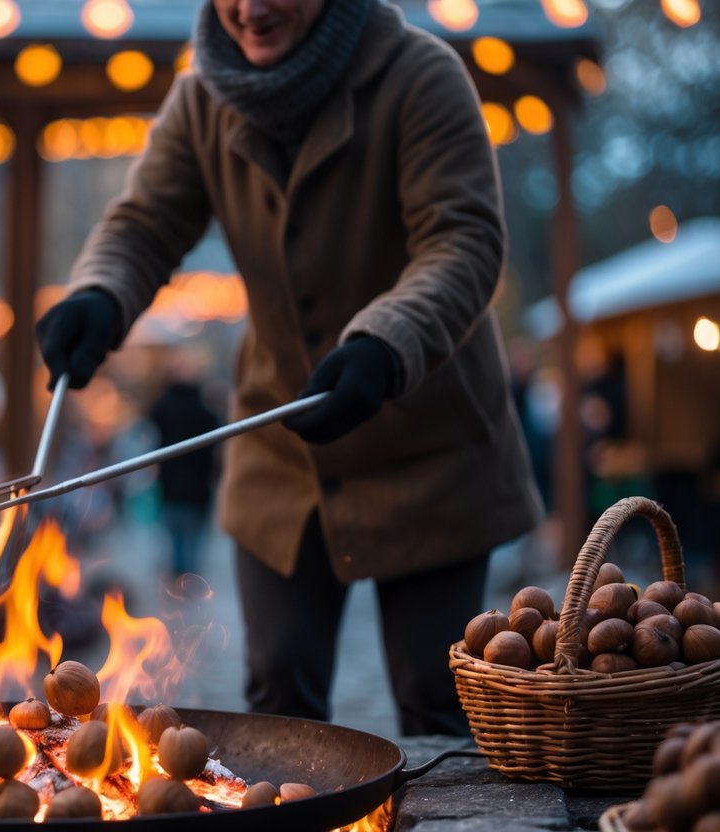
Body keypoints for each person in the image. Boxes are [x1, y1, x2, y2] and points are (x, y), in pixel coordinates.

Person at [35, 0, 543, 736]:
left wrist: (385, 339)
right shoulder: (200, 94)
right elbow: (145, 224)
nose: (250, 9)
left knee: (443, 707)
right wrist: (100, 293)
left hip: (431, 452)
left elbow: (461, 243)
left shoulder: (421, 76)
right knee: (278, 708)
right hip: (281, 453)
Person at [147, 351, 221, 579]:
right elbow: (213, 454)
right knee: (193, 538)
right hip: (198, 487)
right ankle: (189, 578)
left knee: (175, 535)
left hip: (170, 485)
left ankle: (179, 577)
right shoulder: (206, 412)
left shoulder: (160, 408)